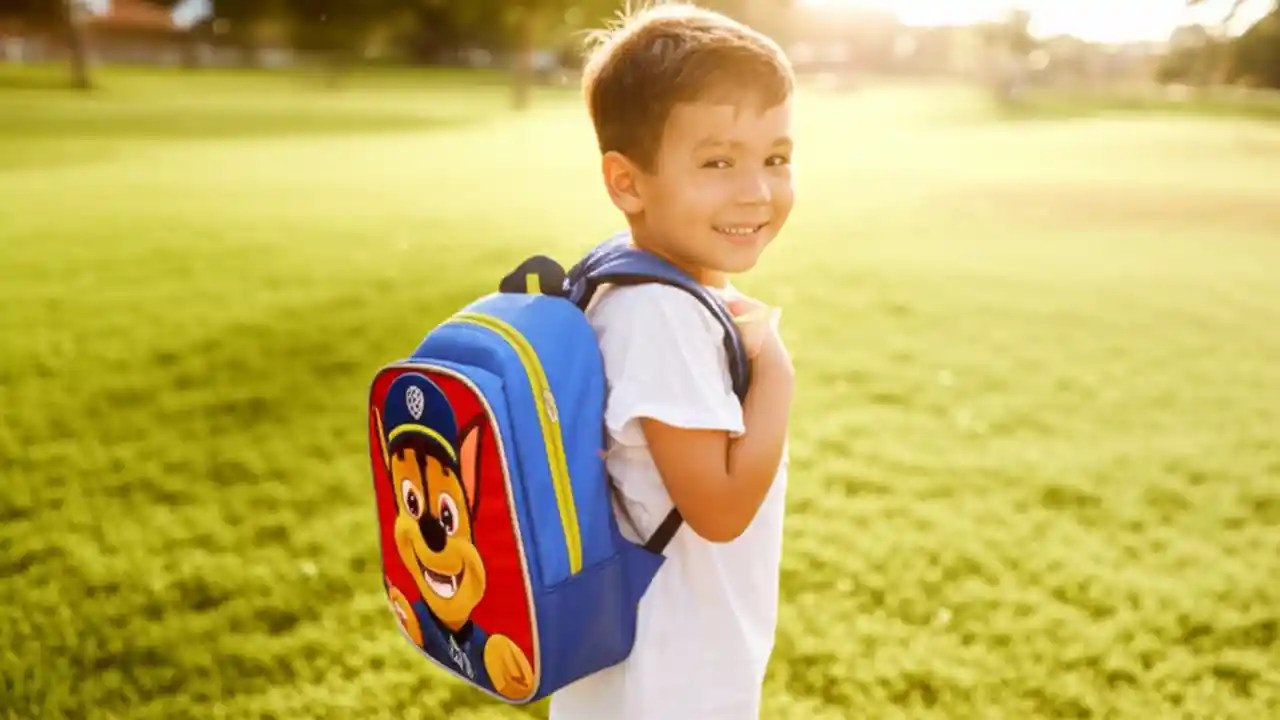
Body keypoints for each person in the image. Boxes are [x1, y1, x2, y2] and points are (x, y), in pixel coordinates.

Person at [549, 3, 797, 718]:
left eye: (775, 159)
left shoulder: (626, 280)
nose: (756, 190)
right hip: (670, 678)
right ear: (628, 182)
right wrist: (776, 372)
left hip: (640, 663)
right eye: (718, 162)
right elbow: (717, 511)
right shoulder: (660, 315)